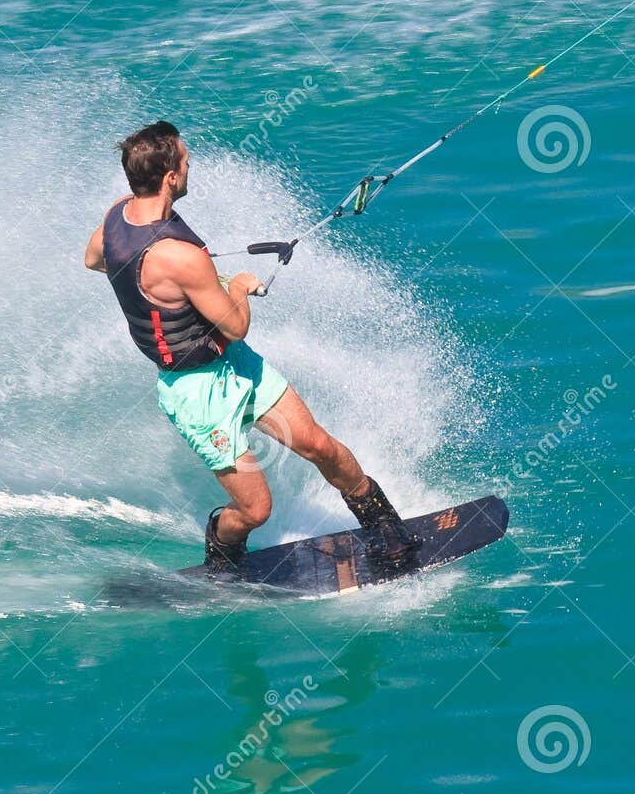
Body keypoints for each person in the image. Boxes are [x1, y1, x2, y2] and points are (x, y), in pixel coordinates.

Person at [84, 121, 419, 577]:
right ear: (170, 178)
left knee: (318, 444)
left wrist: (172, 289)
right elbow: (237, 324)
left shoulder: (117, 214)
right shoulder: (182, 258)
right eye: (185, 161)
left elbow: (95, 259)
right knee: (256, 510)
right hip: (195, 391)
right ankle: (222, 551)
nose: (189, 165)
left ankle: (384, 527)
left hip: (234, 367)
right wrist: (238, 285)